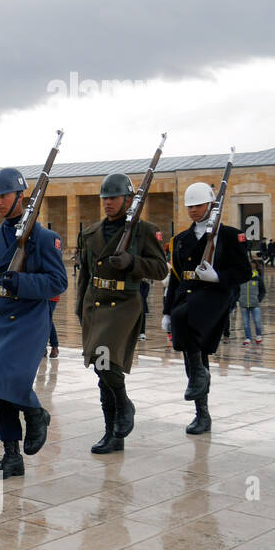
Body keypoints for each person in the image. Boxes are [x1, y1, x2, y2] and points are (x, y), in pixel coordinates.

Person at [0, 167, 68, 479]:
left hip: (27, 321)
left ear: (21, 196)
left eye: (5, 195)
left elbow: (58, 282)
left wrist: (22, 283)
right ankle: (11, 456)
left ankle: (35, 412)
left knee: (3, 373)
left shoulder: (44, 239)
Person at [75, 173, 169, 454]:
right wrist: (81, 307)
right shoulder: (91, 233)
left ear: (128, 200)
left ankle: (124, 403)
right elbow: (85, 275)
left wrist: (132, 262)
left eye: (114, 198)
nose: (108, 203)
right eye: (105, 198)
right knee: (101, 367)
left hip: (123, 304)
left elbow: (161, 269)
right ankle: (112, 434)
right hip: (96, 302)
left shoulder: (144, 231)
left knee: (105, 360)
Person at [162, 182, 252, 436]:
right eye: (189, 206)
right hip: (187, 300)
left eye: (198, 205)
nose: (192, 211)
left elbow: (244, 272)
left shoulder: (230, 236)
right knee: (195, 355)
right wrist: (166, 311)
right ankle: (202, 414)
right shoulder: (180, 240)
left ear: (212, 205)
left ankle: (200, 382)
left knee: (184, 317)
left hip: (215, 300)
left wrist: (218, 277)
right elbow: (177, 281)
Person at [240, 258, 266, 345]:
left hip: (255, 303)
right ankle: (248, 337)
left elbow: (263, 290)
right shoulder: (242, 278)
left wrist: (258, 299)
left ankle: (259, 335)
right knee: (245, 322)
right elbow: (236, 289)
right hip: (243, 303)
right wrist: (238, 298)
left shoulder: (257, 278)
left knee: (257, 320)